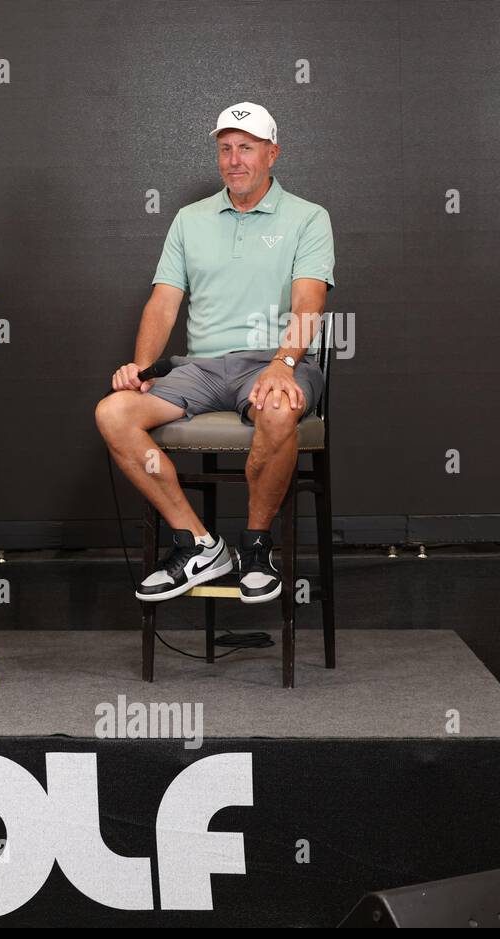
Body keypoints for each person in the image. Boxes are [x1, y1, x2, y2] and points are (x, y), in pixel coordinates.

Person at [96, 102, 334, 603]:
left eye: (246, 148)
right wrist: (143, 369)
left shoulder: (308, 218)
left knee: (279, 405)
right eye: (225, 149)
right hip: (200, 369)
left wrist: (283, 363)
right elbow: (163, 303)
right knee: (114, 412)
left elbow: (309, 304)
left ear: (273, 153)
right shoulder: (190, 219)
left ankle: (256, 546)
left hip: (275, 360)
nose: (234, 160)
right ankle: (200, 543)